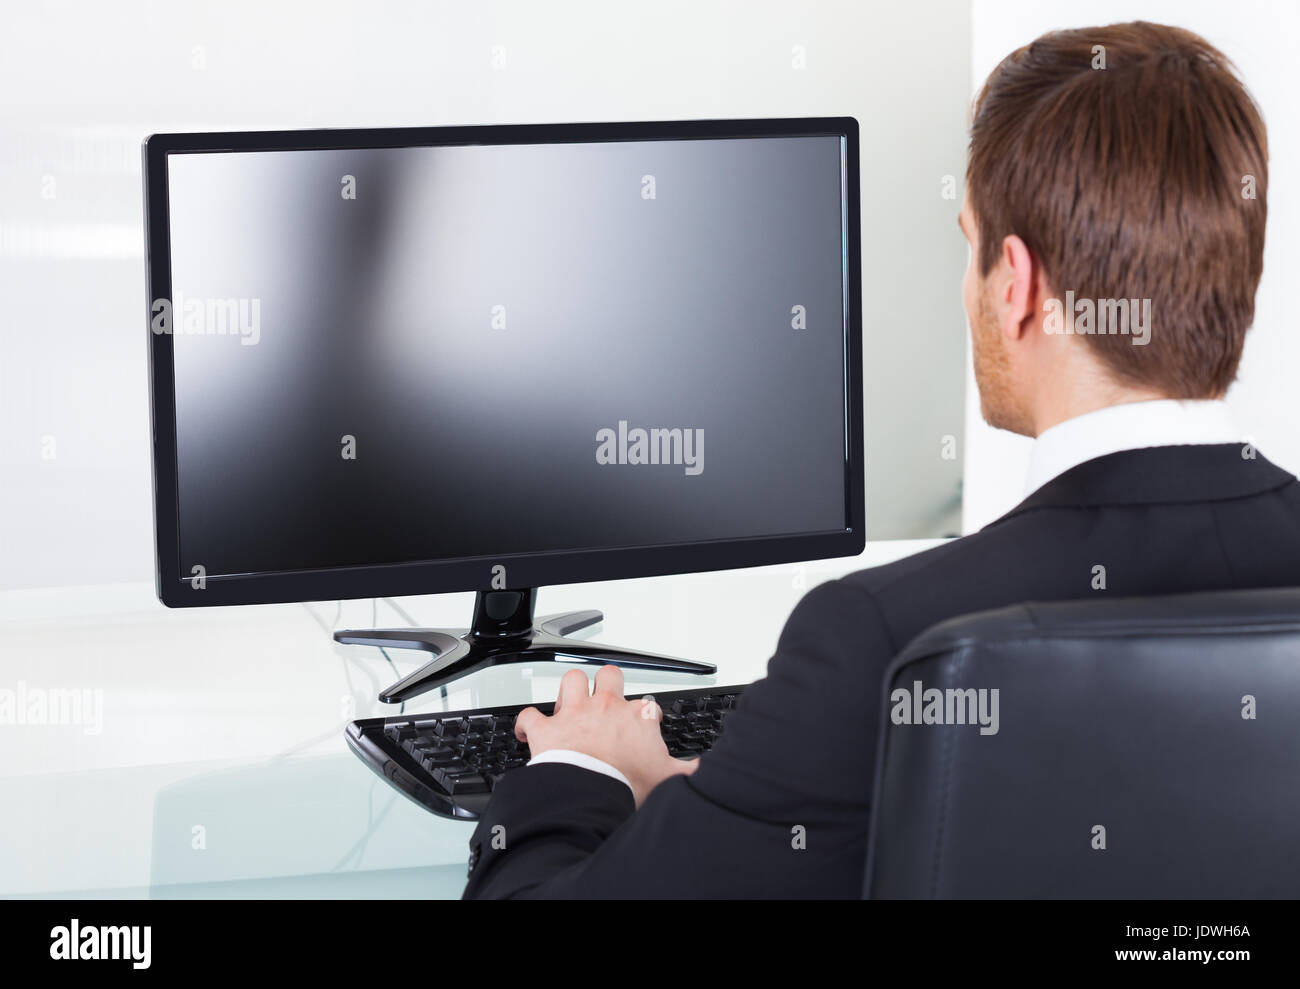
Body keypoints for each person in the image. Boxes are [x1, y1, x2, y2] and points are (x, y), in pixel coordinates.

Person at [463, 21, 1296, 898]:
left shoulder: (883, 638)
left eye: (968, 243)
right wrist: (720, 799)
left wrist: (576, 770)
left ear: (1015, 284)